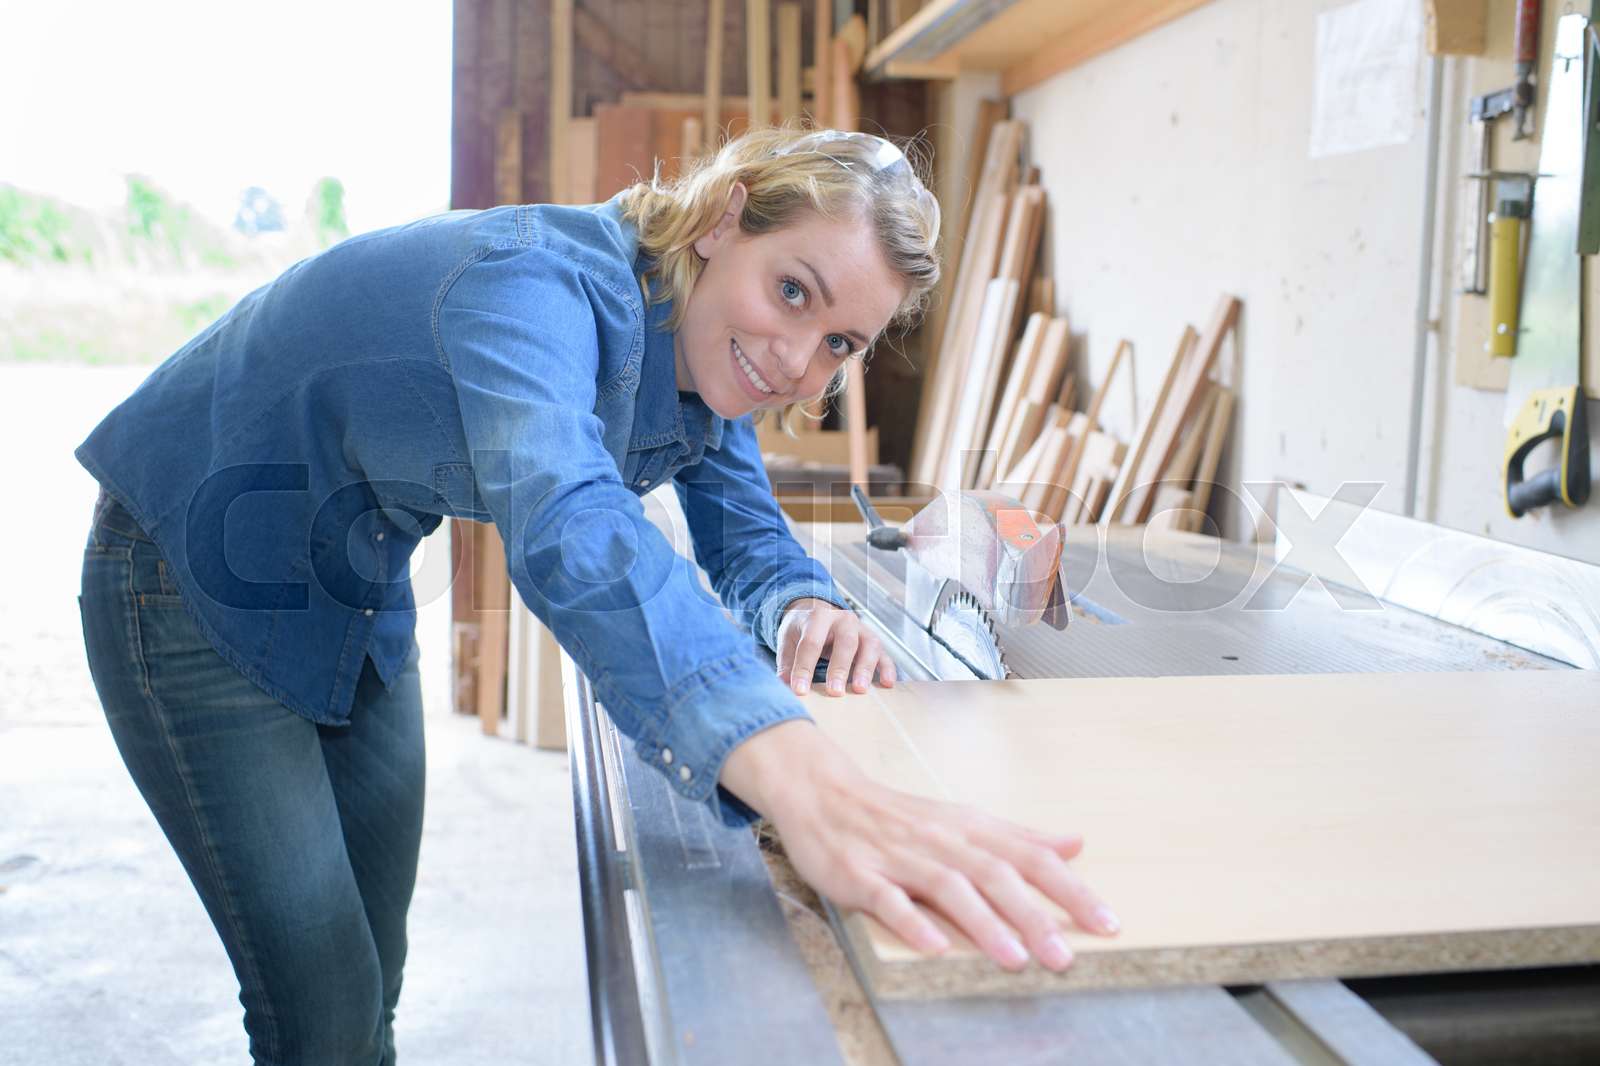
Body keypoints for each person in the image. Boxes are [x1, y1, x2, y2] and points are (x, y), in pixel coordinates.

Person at [75, 126, 1117, 1064]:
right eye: (793, 291)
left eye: (841, 341)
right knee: (324, 1007)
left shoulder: (709, 348)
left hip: (355, 577)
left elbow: (742, 522)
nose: (799, 362)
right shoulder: (530, 287)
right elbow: (570, 521)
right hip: (187, 575)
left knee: (372, 966)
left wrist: (800, 603)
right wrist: (805, 778)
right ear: (720, 221)